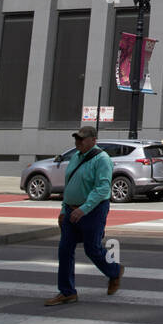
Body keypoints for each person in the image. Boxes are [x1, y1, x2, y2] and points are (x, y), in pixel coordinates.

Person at [45, 125, 124, 306]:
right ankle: (67, 292)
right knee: (65, 250)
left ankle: (114, 271)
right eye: (76, 138)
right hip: (71, 210)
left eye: (81, 139)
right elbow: (69, 185)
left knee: (92, 249)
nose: (77, 142)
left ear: (93, 140)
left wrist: (84, 209)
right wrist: (64, 210)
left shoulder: (102, 159)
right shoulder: (75, 157)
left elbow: (102, 188)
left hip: (93, 211)